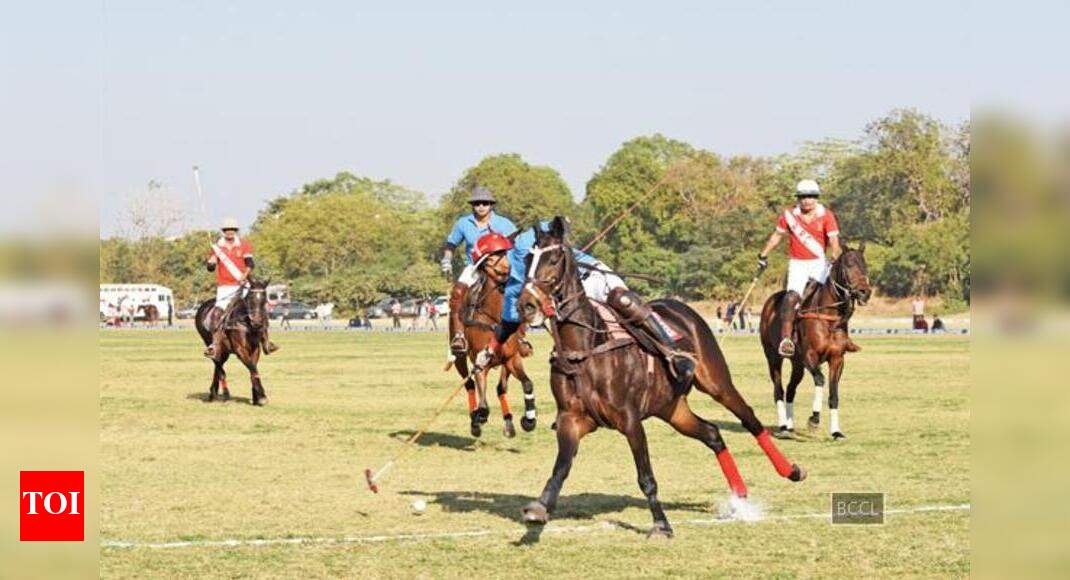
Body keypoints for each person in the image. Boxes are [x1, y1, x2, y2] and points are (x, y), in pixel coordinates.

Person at [475, 222, 696, 392]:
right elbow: (507, 325)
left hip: (590, 275)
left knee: (623, 301)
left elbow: (552, 225)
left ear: (493, 259)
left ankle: (674, 352)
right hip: (571, 298)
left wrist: (562, 226)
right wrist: (488, 352)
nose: (489, 276)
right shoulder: (513, 290)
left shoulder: (524, 243)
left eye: (486, 269)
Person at [758, 179, 842, 357]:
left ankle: (840, 335)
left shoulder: (826, 215)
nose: (807, 200)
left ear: (816, 198)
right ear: (798, 198)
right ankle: (786, 339)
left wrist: (835, 253)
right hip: (798, 264)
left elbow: (834, 240)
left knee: (832, 295)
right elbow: (777, 236)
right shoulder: (789, 215)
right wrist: (763, 254)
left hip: (819, 263)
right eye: (803, 197)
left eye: (811, 196)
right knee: (791, 298)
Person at [441, 185, 517, 354]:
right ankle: (459, 335)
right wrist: (447, 259)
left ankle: (522, 336)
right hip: (475, 267)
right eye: (477, 203)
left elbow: (515, 244)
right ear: (472, 205)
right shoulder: (463, 223)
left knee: (518, 293)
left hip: (499, 267)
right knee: (457, 293)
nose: (481, 206)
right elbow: (451, 244)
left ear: (491, 205)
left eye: (485, 203)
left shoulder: (504, 223)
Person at [204, 217, 279, 360]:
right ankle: (214, 345)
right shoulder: (217, 247)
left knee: (258, 308)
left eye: (232, 230)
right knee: (218, 312)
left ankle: (266, 342)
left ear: (236, 231)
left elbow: (250, 264)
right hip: (225, 286)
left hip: (243, 284)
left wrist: (244, 276)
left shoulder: (244, 245)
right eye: (227, 230)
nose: (230, 232)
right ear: (223, 231)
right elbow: (210, 268)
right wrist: (211, 262)